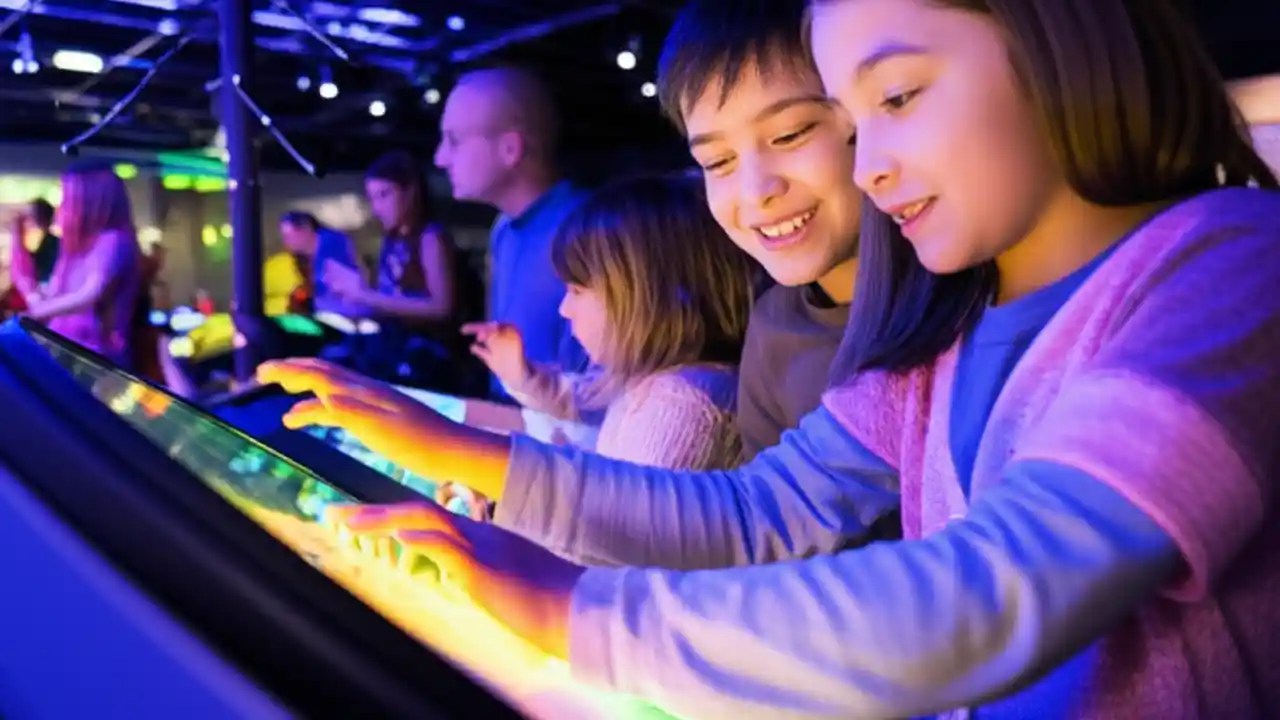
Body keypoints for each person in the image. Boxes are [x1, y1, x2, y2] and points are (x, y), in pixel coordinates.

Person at [259, 1, 1280, 719]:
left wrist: (575, 608)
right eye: (851, 117)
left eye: (894, 98)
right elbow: (757, 511)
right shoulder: (942, 328)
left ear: (1058, 37)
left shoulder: (1224, 262)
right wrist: (475, 462)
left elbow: (998, 588)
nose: (868, 161)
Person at [657, 0, 861, 459]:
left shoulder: (973, 303)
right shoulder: (773, 329)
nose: (755, 192)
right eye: (717, 161)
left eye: (790, 134)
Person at [464, 175, 753, 472]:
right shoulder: (649, 380)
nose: (564, 309)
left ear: (645, 296)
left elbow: (620, 516)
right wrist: (522, 375)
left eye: (577, 290)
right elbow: (586, 401)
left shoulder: (681, 405)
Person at [433, 66, 589, 398]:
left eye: (454, 141)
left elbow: (595, 395)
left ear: (509, 149)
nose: (440, 158)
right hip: (513, 425)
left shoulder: (589, 229)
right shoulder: (502, 227)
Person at [326, 151, 476, 390]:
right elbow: (392, 301)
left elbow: (441, 308)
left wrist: (366, 295)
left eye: (384, 195)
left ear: (410, 193)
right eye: (372, 198)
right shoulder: (391, 242)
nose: (377, 208)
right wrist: (352, 299)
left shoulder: (430, 238)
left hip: (429, 359)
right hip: (395, 346)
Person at [25, 161, 142, 368]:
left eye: (68, 197)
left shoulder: (112, 240)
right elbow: (54, 293)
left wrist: (37, 312)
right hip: (66, 353)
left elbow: (89, 295)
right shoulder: (74, 247)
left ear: (89, 199)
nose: (63, 206)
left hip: (95, 361)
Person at [278, 210, 364, 317]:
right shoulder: (302, 258)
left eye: (288, 236)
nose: (287, 243)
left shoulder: (332, 242)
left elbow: (338, 285)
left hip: (349, 315)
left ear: (306, 230)